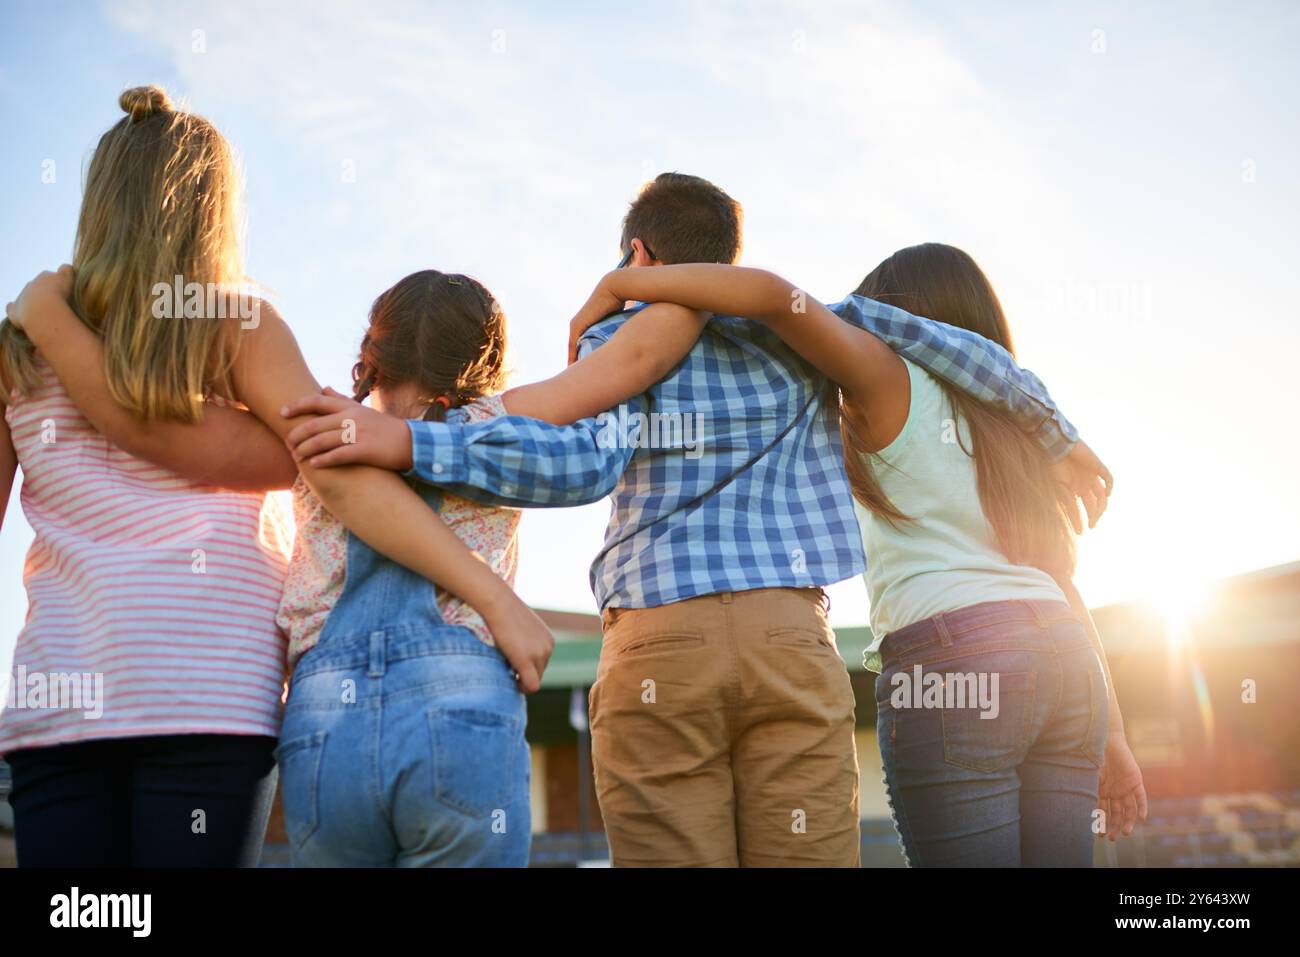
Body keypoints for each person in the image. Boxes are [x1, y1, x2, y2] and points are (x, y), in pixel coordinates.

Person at [281, 173, 1111, 867]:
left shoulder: (619, 332)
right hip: (788, 634)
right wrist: (1056, 430)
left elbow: (577, 448)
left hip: (660, 645)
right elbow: (948, 345)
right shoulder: (796, 323)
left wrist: (414, 438)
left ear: (638, 253)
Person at [0, 85, 553, 867]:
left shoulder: (21, 347)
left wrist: (49, 318)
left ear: (98, 201)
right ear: (212, 212)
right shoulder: (237, 327)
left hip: (57, 704)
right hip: (210, 696)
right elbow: (337, 474)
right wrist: (492, 594)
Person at [561, 246, 1147, 866]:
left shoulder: (887, 377)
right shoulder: (1024, 426)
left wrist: (625, 280)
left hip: (957, 659)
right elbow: (1059, 580)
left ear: (897, 318)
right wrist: (1115, 737)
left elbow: (768, 297)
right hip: (1067, 664)